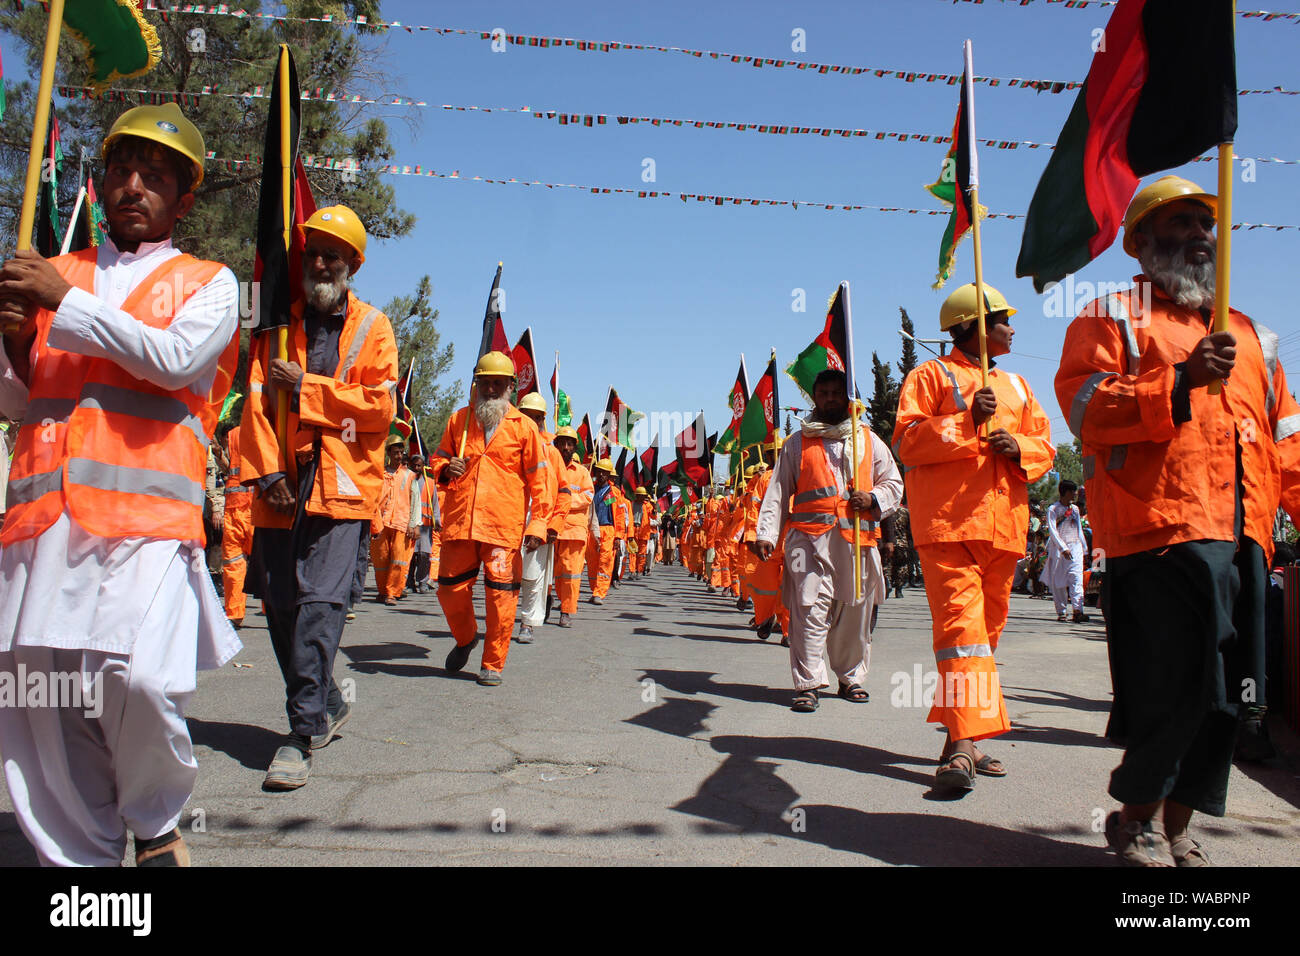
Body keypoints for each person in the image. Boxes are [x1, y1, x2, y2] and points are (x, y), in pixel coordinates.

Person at [0, 103, 240, 865]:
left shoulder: (212, 283)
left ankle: (155, 821)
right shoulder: (51, 272)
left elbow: (170, 361)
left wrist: (58, 303)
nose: (134, 185)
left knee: (137, 686)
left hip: (146, 533)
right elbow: (15, 399)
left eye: (156, 175)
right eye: (122, 171)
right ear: (101, 184)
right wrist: (11, 340)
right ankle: (85, 872)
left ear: (184, 198)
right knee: (45, 710)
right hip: (43, 529)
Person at [1056, 175, 1300, 866]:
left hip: (1246, 534)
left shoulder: (1251, 333)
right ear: (1140, 243)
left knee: (1235, 704)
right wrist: (1180, 382)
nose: (1197, 235)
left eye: (1204, 223)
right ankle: (1135, 816)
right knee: (1186, 688)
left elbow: (1287, 440)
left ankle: (1179, 825)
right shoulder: (1110, 315)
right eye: (1179, 224)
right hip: (1159, 533)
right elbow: (1087, 411)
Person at [241, 204, 398, 791]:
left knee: (318, 606)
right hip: (280, 483)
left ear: (353, 264)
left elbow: (380, 408)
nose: (322, 263)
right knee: (280, 604)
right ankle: (325, 698)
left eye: (335, 254)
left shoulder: (374, 327)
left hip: (343, 486)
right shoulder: (277, 326)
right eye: (314, 253)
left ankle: (300, 735)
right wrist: (263, 475)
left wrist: (307, 387)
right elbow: (256, 402)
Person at [893, 281, 1055, 790]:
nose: (1011, 326)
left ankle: (960, 738)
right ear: (972, 326)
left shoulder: (1022, 387)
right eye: (1003, 318)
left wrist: (1019, 447)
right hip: (949, 526)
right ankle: (964, 747)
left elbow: (1046, 449)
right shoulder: (930, 374)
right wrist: (966, 420)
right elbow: (907, 443)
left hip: (1005, 528)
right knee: (964, 636)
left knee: (985, 639)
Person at [757, 369, 902, 712]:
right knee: (809, 609)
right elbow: (777, 491)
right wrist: (765, 532)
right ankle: (808, 685)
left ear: (846, 398)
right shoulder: (797, 443)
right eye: (823, 393)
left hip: (857, 543)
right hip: (807, 544)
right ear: (815, 398)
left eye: (837, 393)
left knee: (854, 612)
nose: (830, 399)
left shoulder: (867, 439)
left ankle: (850, 678)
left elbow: (893, 483)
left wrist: (873, 499)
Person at [429, 351, 551, 685]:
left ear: (511, 386)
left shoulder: (524, 428)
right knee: (449, 589)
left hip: (502, 526)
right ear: (477, 384)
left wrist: (538, 523)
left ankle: (492, 663)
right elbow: (437, 459)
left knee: (501, 597)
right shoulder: (459, 421)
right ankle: (466, 638)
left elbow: (540, 481)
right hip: (461, 521)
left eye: (499, 383)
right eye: (486, 382)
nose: (492, 389)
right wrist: (444, 469)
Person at [515, 392, 562, 643]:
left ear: (543, 420)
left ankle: (527, 623)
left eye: (536, 418)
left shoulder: (552, 454)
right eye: (526, 417)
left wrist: (552, 525)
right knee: (505, 575)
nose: (531, 423)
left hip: (538, 523)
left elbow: (563, 492)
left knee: (532, 576)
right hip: (508, 518)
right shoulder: (508, 444)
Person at [549, 426, 596, 627]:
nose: (565, 447)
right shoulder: (548, 467)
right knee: (551, 573)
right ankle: (547, 601)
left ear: (574, 447)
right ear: (556, 445)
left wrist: (564, 500)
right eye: (562, 443)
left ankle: (567, 610)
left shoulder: (582, 472)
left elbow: (587, 496)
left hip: (574, 531)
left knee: (570, 573)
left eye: (569, 444)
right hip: (550, 529)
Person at [370, 436, 418, 605]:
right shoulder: (378, 474)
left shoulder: (410, 475)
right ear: (388, 453)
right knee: (381, 559)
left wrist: (415, 524)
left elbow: (415, 500)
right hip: (380, 523)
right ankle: (383, 591)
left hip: (402, 523)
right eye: (395, 452)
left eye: (401, 452)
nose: (399, 456)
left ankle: (393, 592)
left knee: (399, 558)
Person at [1039, 480, 1089, 623]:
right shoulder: (1053, 510)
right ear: (1066, 492)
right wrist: (1063, 548)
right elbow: (1053, 531)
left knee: (1076, 578)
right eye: (1073, 491)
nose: (1074, 494)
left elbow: (1079, 528)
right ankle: (1061, 611)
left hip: (1075, 548)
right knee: (1059, 581)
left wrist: (1084, 547)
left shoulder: (1075, 510)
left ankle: (1078, 610)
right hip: (1059, 550)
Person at [220, 422, 254, 626]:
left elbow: (229, 466)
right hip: (258, 507)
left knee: (233, 563)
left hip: (234, 507)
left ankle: (234, 612)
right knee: (268, 561)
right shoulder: (267, 427)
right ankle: (274, 608)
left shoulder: (231, 436)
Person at [586, 458, 618, 604]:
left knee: (605, 561)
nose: (601, 475)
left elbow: (617, 515)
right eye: (599, 471)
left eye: (604, 473)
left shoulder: (612, 493)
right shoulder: (590, 489)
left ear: (609, 475)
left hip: (607, 529)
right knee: (592, 562)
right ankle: (594, 590)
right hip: (591, 530)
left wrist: (618, 536)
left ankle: (600, 592)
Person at [406, 450, 435, 593]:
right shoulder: (407, 480)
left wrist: (438, 521)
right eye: (414, 465)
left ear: (424, 466)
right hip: (409, 525)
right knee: (410, 555)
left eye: (419, 466)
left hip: (425, 526)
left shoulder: (430, 483)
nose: (417, 468)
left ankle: (422, 581)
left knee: (424, 554)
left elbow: (435, 503)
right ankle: (409, 582)